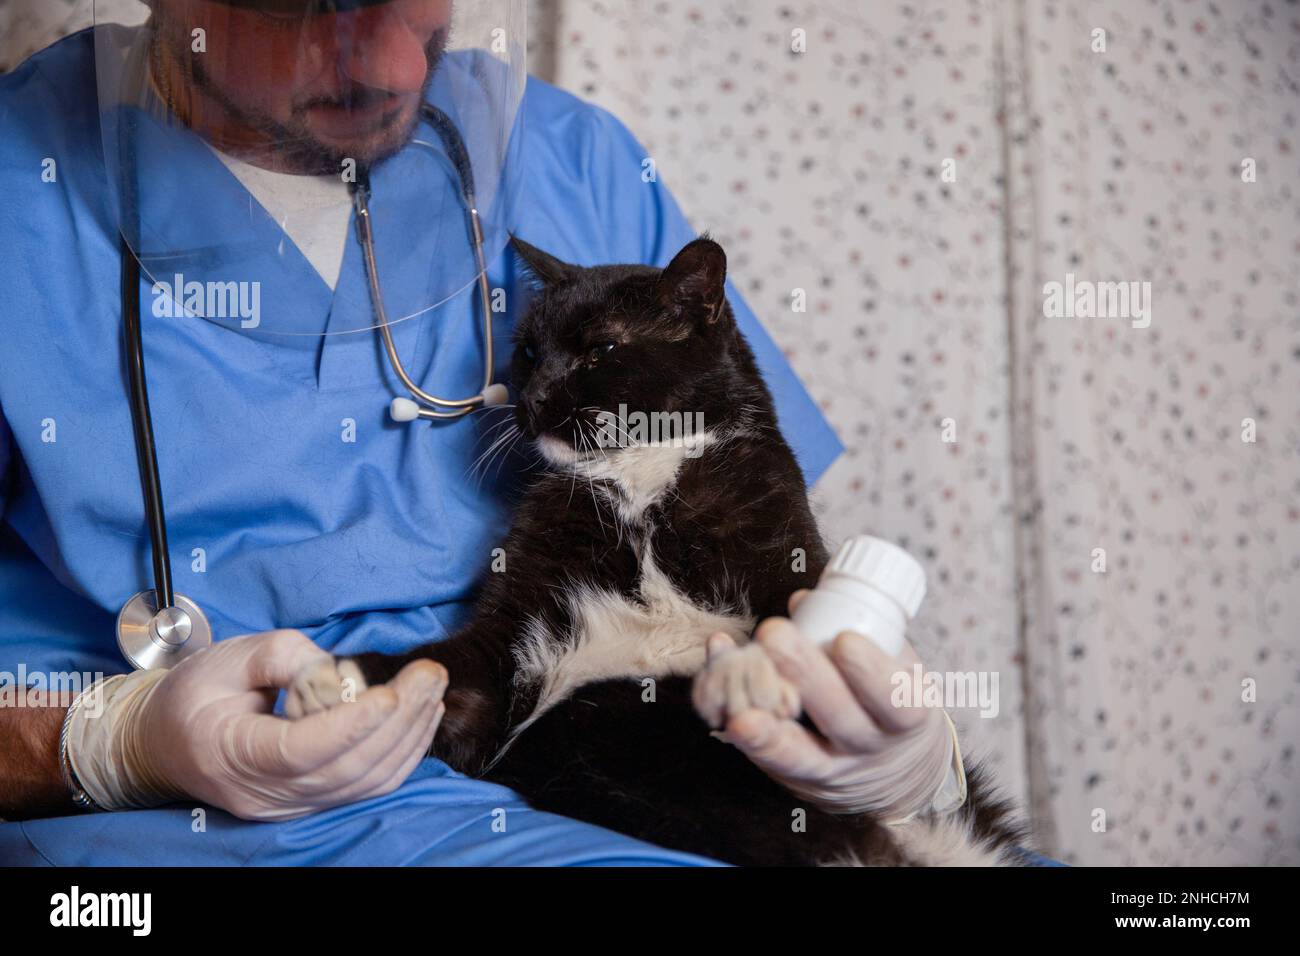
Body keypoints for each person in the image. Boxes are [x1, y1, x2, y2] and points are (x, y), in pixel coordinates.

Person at [0, 0, 962, 866]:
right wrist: (114, 742)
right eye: (308, 7)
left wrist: (901, 753)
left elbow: (753, 542)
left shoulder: (573, 157)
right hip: (216, 839)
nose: (396, 65)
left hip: (637, 788)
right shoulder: (21, 190)